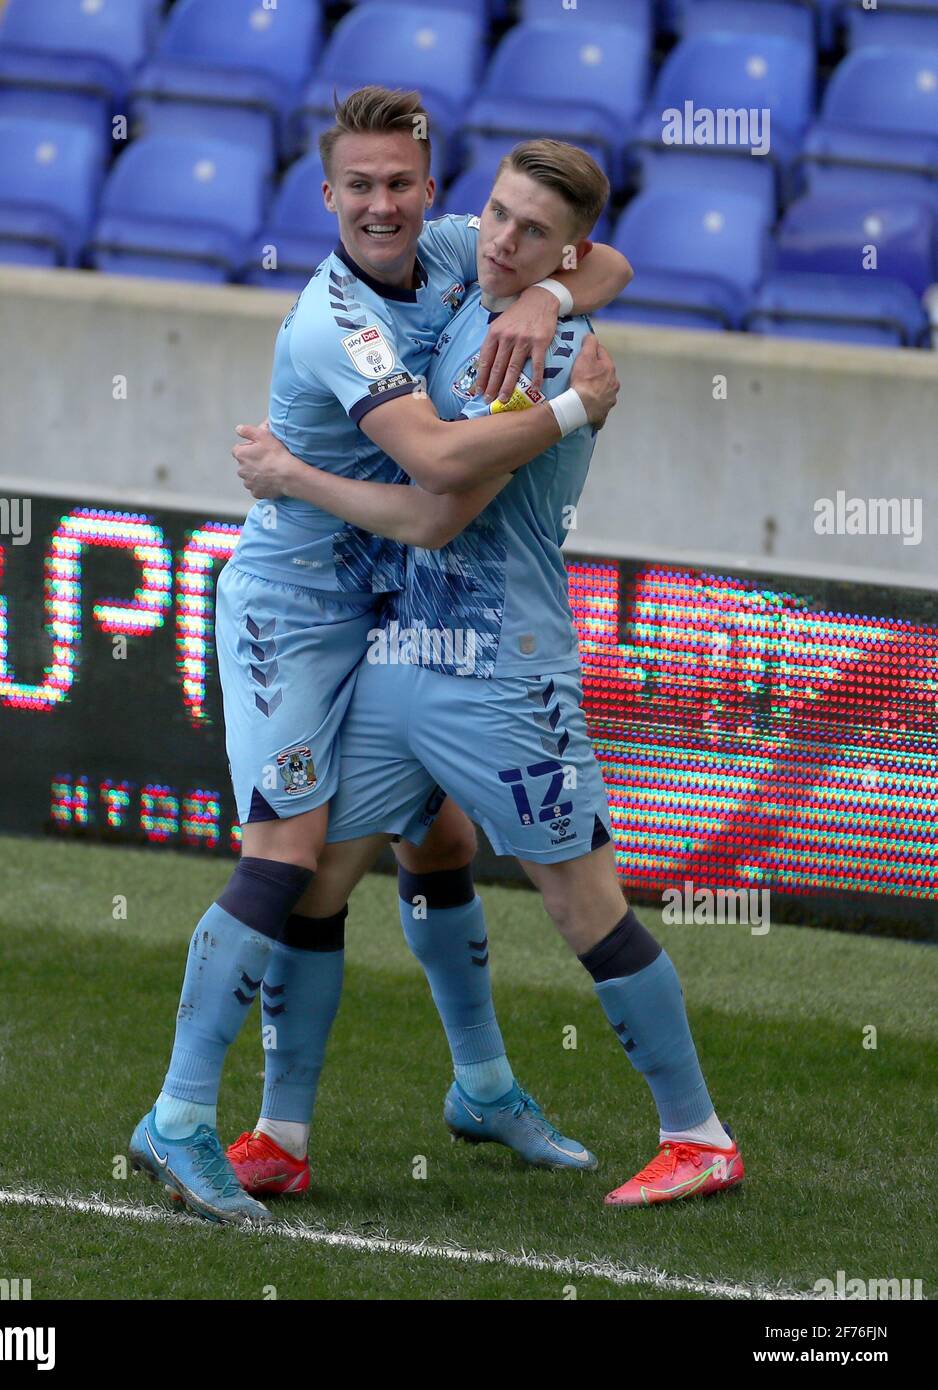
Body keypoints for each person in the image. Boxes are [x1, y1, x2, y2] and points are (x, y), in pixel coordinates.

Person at [129, 88, 630, 1224]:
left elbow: (613, 266)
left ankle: (481, 1087)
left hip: (390, 604)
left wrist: (549, 295)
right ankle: (180, 1115)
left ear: (431, 189)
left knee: (436, 832)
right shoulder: (333, 319)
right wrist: (571, 409)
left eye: (399, 182)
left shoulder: (461, 247)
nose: (380, 204)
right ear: (325, 197)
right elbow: (434, 489)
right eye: (357, 186)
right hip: (295, 611)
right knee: (289, 852)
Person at [230, 139, 745, 1209]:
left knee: (580, 902)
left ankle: (695, 1134)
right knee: (319, 880)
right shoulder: (473, 277)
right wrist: (550, 288)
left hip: (500, 667)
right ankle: (281, 1133)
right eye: (499, 216)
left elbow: (440, 504)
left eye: (535, 234)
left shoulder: (556, 357)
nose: (504, 241)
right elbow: (607, 268)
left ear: (568, 243)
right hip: (396, 654)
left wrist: (290, 476)